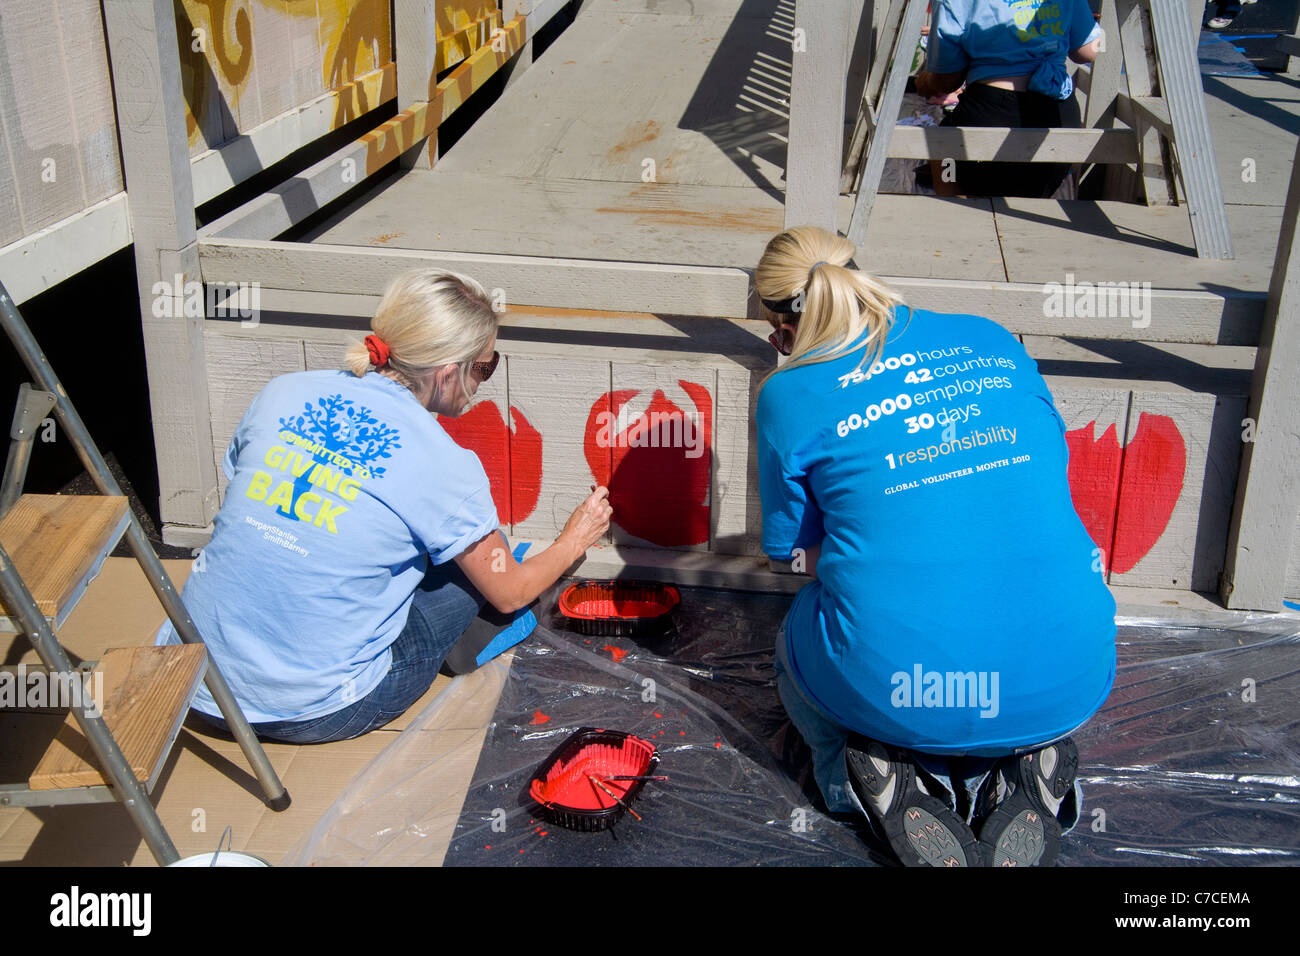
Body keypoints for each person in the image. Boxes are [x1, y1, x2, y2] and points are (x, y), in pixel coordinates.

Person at [755, 226, 1116, 866]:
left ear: (784, 329)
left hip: (901, 688)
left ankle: (854, 778)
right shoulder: (989, 336)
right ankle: (1032, 758)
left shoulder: (788, 392)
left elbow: (794, 555)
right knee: (1009, 639)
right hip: (1070, 667)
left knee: (797, 638)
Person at [156, 268, 612, 743]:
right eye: (484, 367)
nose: (484, 381)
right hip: (313, 709)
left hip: (188, 679)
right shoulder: (444, 463)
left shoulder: (283, 391)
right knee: (469, 578)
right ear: (447, 372)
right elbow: (510, 592)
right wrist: (571, 540)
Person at [914, 0, 1103, 198]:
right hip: (1059, 119)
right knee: (1032, 190)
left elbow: (947, 80)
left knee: (944, 155)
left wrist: (925, 82)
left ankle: (956, 210)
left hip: (988, 117)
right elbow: (1088, 52)